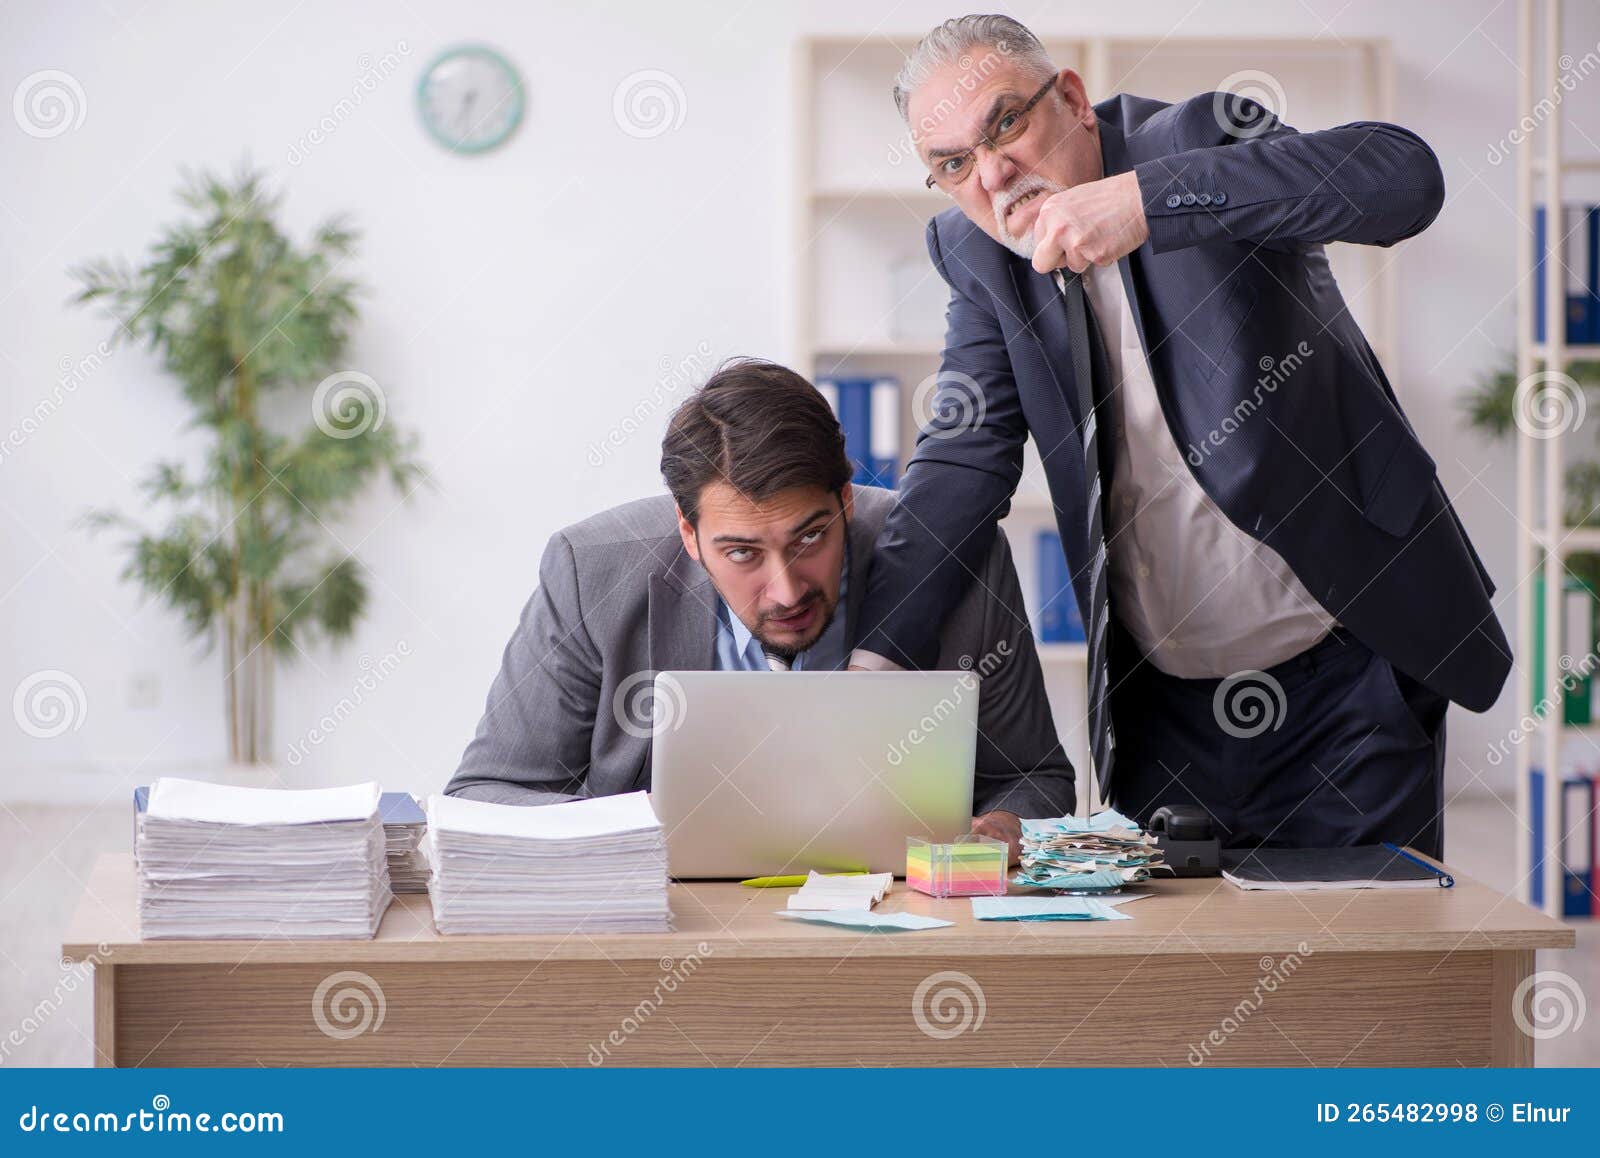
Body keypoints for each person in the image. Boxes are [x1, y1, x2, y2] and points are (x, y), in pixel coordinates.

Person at [849, 15, 1509, 859]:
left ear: (1075, 101)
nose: (993, 173)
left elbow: (1402, 179)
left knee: (1360, 973)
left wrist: (1145, 202)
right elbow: (962, 462)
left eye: (1005, 123)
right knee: (1184, 984)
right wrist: (873, 669)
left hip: (1350, 679)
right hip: (1165, 717)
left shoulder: (1191, 140)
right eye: (953, 163)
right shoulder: (977, 255)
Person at [446, 358, 1076, 857]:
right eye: (743, 553)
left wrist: (1002, 829)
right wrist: (626, 835)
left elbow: (1037, 779)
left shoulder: (958, 557)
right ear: (689, 534)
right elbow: (488, 795)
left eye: (810, 537)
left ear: (847, 499)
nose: (786, 590)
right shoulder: (590, 573)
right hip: (665, 935)